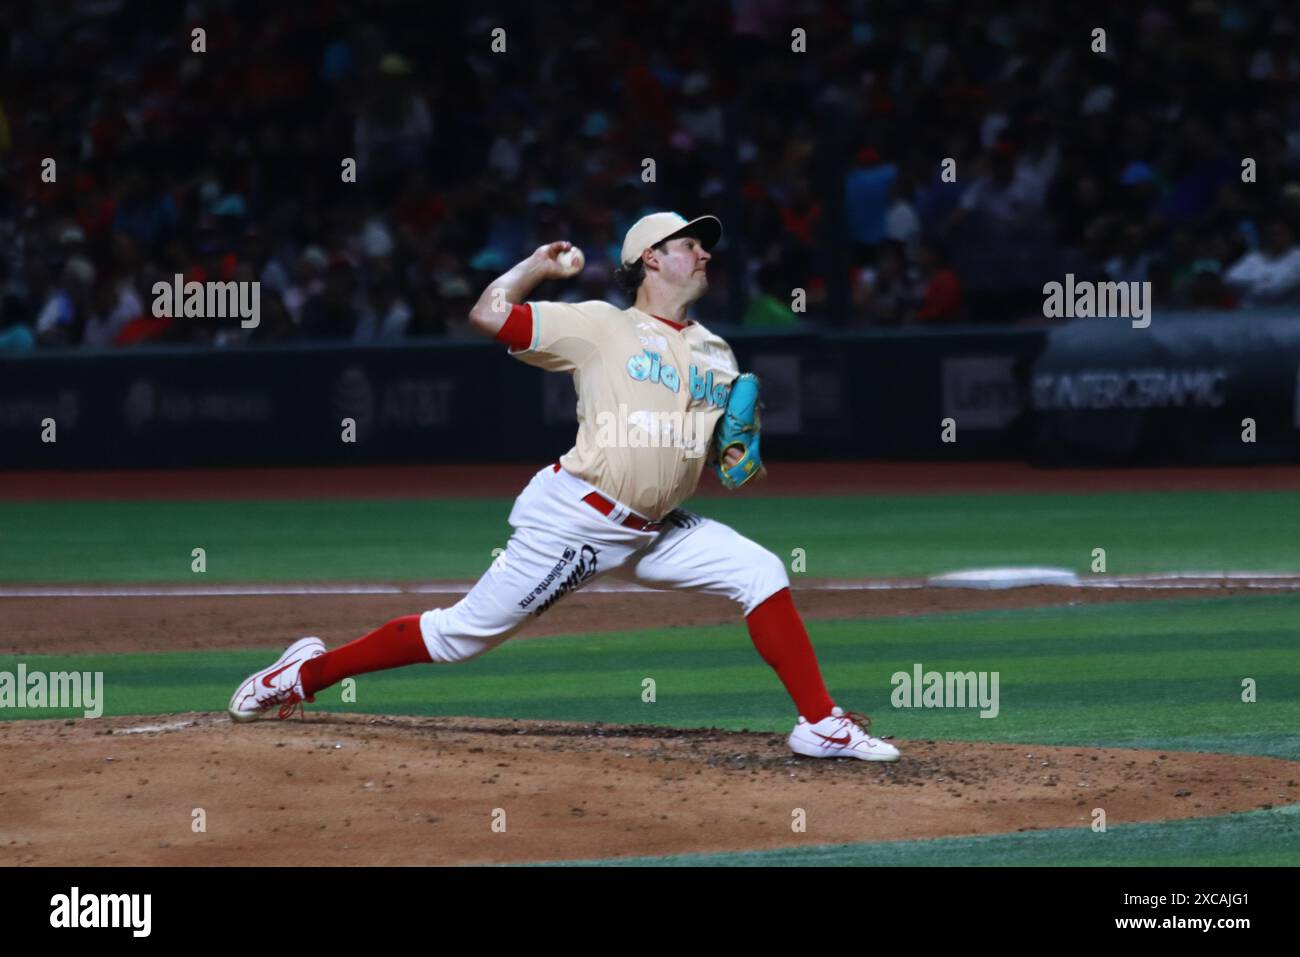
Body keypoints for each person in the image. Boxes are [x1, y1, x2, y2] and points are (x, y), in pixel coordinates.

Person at [228, 212, 900, 762]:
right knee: (460, 635)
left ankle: (820, 723)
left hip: (654, 527)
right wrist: (536, 268)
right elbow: (490, 316)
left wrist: (738, 451)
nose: (702, 254)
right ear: (649, 259)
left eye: (702, 246)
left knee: (759, 569)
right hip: (578, 519)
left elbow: (722, 462)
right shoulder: (602, 325)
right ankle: (299, 675)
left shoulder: (717, 353)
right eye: (687, 244)